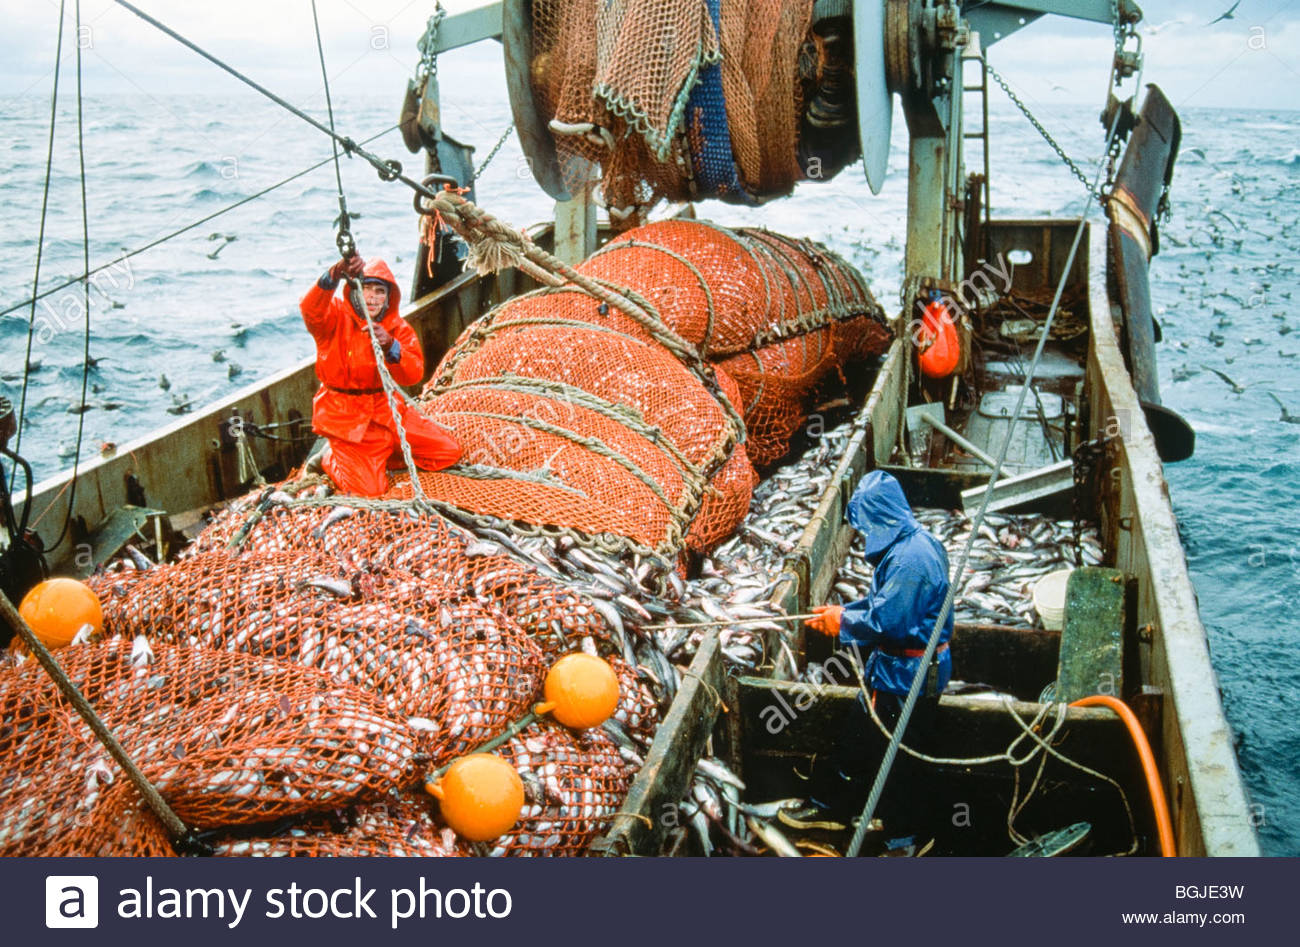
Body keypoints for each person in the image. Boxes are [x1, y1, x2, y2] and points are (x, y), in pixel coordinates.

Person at [300, 254, 461, 496]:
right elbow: (309, 308)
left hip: (387, 411)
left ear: (389, 297)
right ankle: (330, 459)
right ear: (355, 291)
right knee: (372, 491)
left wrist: (391, 346)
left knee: (448, 452)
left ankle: (378, 456)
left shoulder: (397, 328)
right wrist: (334, 273)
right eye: (366, 289)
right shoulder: (333, 316)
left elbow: (413, 374)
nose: (373, 297)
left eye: (379, 291)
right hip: (346, 419)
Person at [804, 470, 953, 709]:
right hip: (908, 671)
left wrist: (843, 622)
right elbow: (889, 603)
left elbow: (890, 623)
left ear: (882, 517)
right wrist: (844, 610)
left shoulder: (909, 562)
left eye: (868, 524)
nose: (866, 533)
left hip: (906, 678)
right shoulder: (918, 542)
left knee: (883, 742)